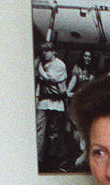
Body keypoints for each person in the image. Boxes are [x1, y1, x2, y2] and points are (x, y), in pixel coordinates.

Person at [34, 42, 69, 170]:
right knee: (39, 128)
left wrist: (39, 68)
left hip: (56, 102)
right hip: (44, 101)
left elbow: (48, 78)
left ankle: (52, 160)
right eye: (43, 51)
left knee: (54, 133)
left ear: (53, 51)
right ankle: (39, 158)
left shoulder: (60, 65)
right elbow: (40, 81)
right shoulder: (42, 63)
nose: (45, 53)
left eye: (47, 51)